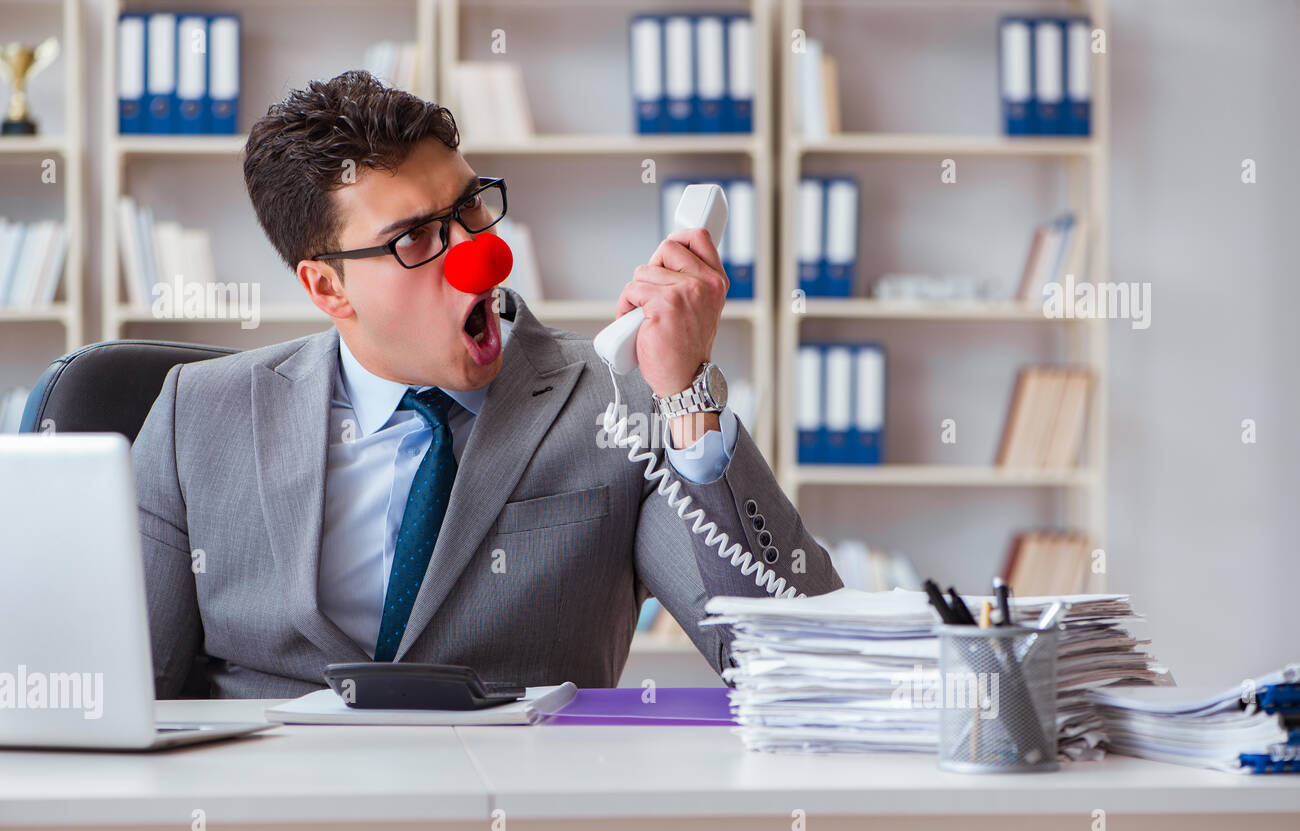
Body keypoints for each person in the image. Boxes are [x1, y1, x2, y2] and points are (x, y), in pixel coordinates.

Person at [134, 70, 842, 698]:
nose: (480, 254)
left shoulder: (621, 399)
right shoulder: (194, 417)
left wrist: (686, 390)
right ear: (328, 288)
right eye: (414, 237)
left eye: (471, 206)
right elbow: (121, 703)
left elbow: (798, 667)